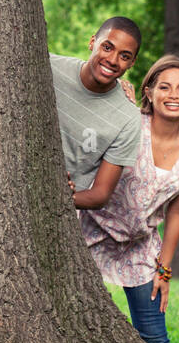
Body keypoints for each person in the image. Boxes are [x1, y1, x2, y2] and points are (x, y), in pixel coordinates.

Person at [78, 54, 179, 343]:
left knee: (154, 338)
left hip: (138, 246)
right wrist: (115, 97)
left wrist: (164, 269)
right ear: (148, 92)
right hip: (88, 230)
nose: (174, 95)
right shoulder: (129, 122)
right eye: (164, 87)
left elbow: (178, 211)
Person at [50, 17, 143, 215]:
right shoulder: (49, 69)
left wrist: (60, 196)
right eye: (107, 47)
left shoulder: (128, 119)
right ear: (93, 42)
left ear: (132, 63)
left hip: (58, 216)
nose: (112, 60)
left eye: (124, 56)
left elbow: (100, 194)